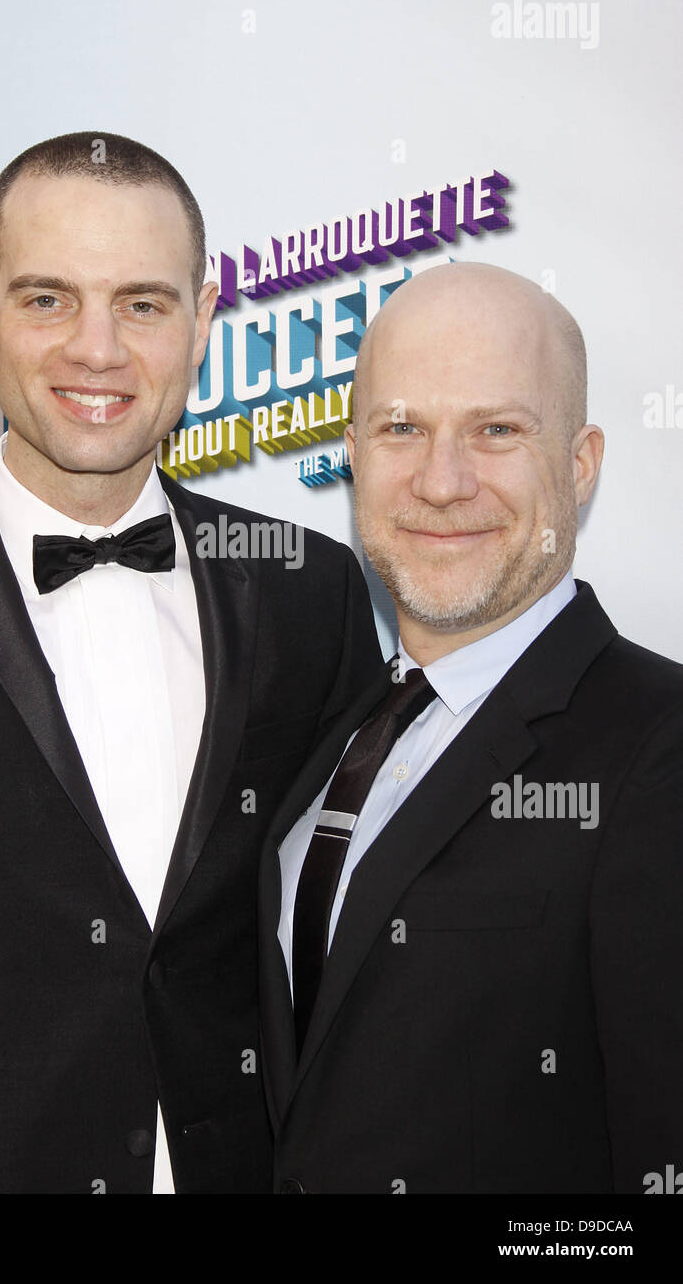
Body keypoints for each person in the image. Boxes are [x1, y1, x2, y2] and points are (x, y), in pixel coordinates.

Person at [0, 132, 382, 1193]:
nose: (97, 350)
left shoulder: (310, 591)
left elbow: (349, 961)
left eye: (142, 303)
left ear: (203, 319)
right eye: (46, 299)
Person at [258, 261, 683, 1194]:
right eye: (402, 427)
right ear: (355, 456)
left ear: (579, 465)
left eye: (496, 430)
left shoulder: (660, 748)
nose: (442, 482)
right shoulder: (332, 734)